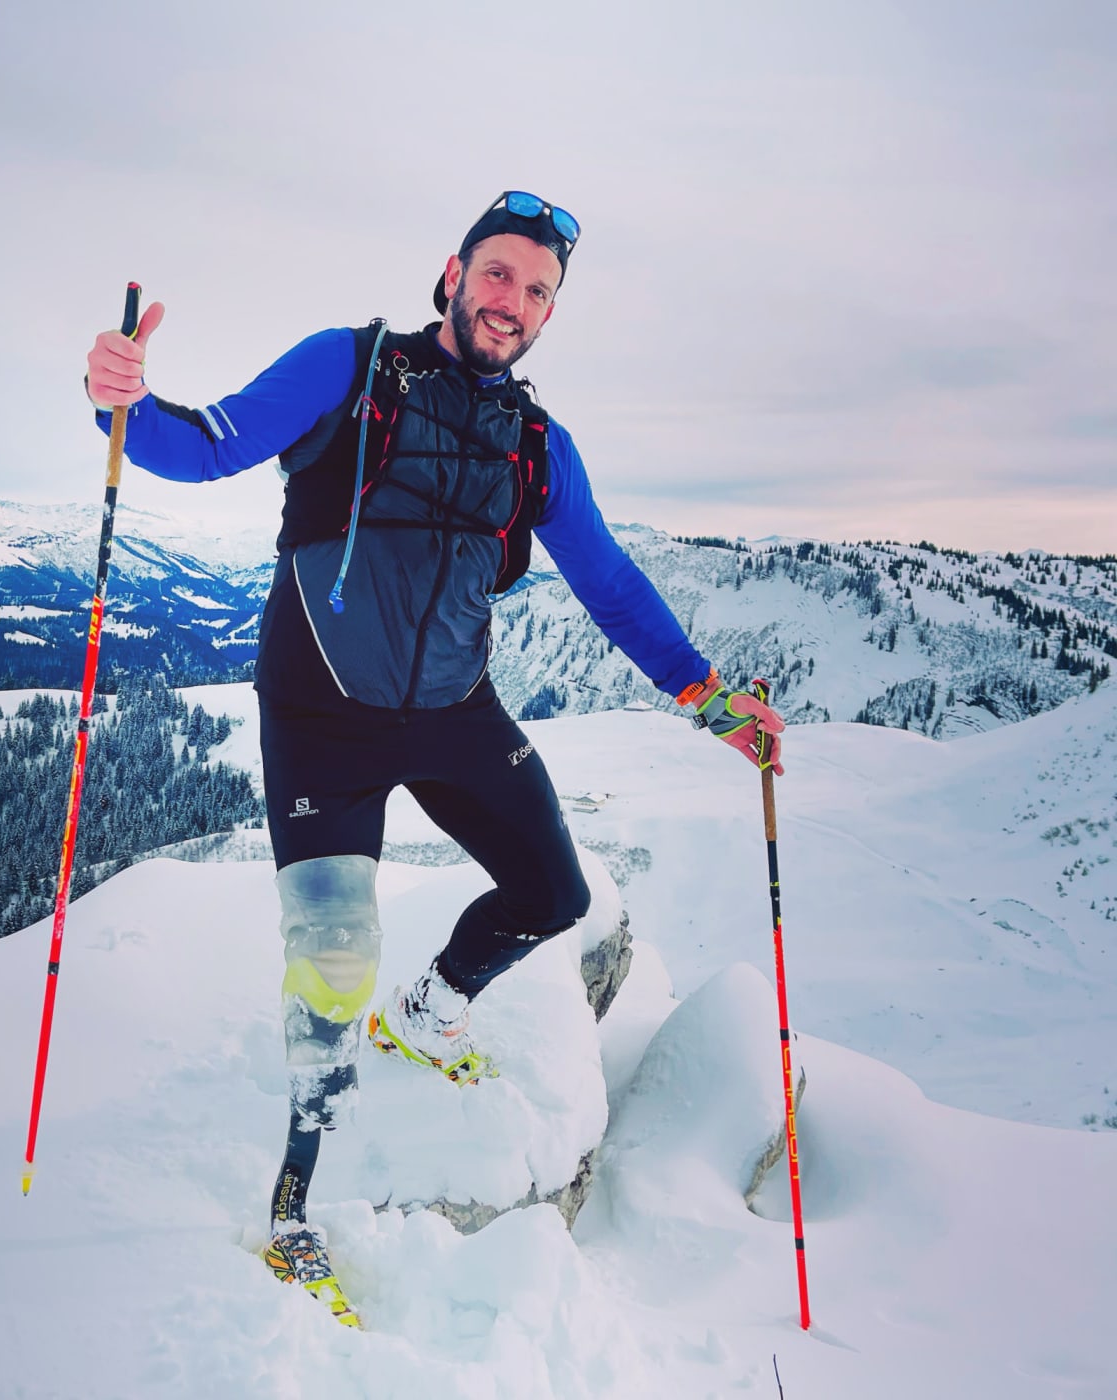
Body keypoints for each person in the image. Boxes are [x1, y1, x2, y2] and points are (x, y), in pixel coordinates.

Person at [85, 191, 785, 1325]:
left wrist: (704, 693)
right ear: (451, 273)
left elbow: (607, 581)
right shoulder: (347, 367)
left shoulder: (536, 445)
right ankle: (295, 1208)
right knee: (328, 965)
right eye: (497, 274)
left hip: (454, 708)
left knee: (552, 891)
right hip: (319, 714)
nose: (511, 301)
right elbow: (199, 446)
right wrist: (116, 398)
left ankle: (433, 1006)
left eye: (536, 289)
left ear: (551, 314)